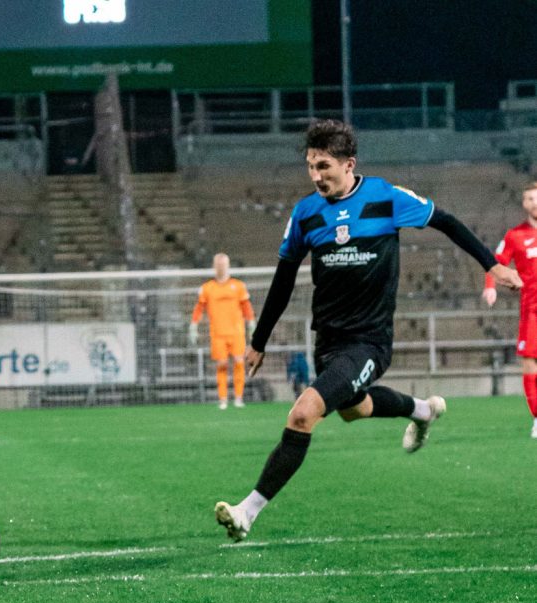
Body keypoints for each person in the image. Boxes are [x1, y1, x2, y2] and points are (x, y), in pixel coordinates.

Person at [214, 119, 522, 542]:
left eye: (324, 166)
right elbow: (284, 279)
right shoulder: (306, 213)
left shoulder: (385, 197)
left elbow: (447, 221)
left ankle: (247, 511)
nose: (316, 175)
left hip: (369, 342)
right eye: (310, 166)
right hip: (328, 340)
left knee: (303, 413)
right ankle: (423, 411)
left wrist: (493, 265)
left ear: (349, 164)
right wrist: (259, 341)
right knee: (353, 409)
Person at [481, 181, 537, 439]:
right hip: (532, 310)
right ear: (523, 204)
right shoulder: (515, 235)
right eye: (529, 199)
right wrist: (490, 287)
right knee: (529, 362)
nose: (534, 203)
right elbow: (496, 263)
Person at [190, 253, 255, 409]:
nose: (221, 267)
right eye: (218, 265)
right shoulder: (207, 288)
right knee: (222, 364)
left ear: (228, 266)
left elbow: (246, 306)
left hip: (237, 332)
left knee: (239, 362)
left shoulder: (238, 286)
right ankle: (223, 398)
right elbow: (199, 308)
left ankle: (238, 397)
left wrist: (251, 323)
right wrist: (193, 325)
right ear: (214, 266)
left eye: (223, 264)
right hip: (217, 333)